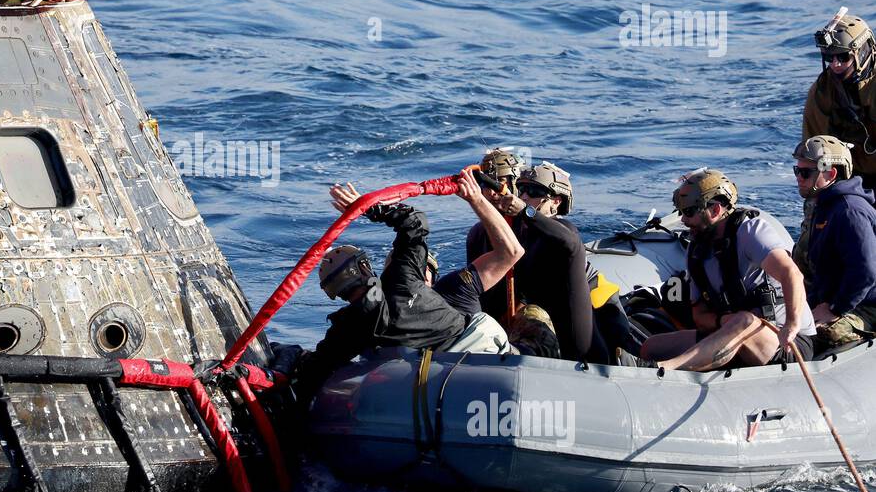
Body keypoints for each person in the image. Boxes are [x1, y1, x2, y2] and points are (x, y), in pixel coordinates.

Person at [291, 170, 510, 401]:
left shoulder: (347, 329)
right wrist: (370, 208)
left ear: (333, 291)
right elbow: (415, 223)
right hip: (481, 347)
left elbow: (316, 370)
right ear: (365, 267)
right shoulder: (401, 278)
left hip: (440, 371)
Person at [618, 169, 815, 372]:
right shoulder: (696, 251)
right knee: (652, 346)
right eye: (681, 212)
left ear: (715, 210)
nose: (684, 221)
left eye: (689, 212)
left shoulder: (751, 232)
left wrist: (792, 324)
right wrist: (722, 320)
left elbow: (791, 274)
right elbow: (700, 315)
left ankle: (663, 369)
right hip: (731, 333)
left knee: (744, 320)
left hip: (785, 341)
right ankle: (649, 363)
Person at [468, 160, 598, 361]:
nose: (525, 196)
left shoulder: (565, 234)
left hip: (573, 350)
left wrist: (524, 212)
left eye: (534, 191)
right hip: (533, 335)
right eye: (522, 190)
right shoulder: (517, 234)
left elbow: (569, 242)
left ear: (556, 201)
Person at [795, 135, 876, 348]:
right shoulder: (822, 206)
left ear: (830, 174)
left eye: (805, 172)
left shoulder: (849, 212)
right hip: (828, 298)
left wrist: (835, 309)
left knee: (821, 335)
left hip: (865, 307)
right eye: (797, 171)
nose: (798, 178)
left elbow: (865, 272)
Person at [803, 9, 876, 189]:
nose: (835, 64)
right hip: (847, 176)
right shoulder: (822, 91)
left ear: (862, 52)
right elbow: (813, 146)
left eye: (843, 57)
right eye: (829, 57)